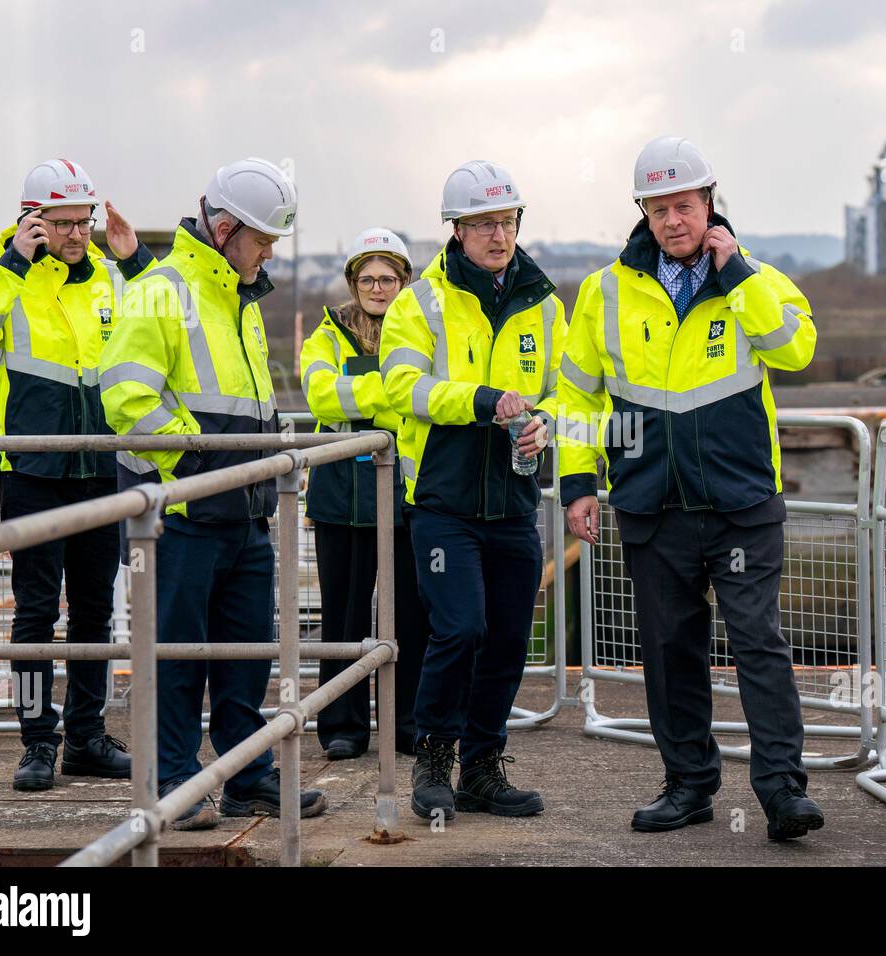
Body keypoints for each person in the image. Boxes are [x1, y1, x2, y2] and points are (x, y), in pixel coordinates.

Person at [557, 136, 824, 840]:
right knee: (670, 652)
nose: (673, 219)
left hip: (740, 502)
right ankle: (688, 787)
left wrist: (737, 276)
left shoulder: (756, 279)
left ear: (710, 203)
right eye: (659, 207)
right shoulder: (604, 290)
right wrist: (579, 482)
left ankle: (781, 794)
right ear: (642, 212)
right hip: (652, 503)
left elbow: (795, 349)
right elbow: (578, 395)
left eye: (685, 205)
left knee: (758, 644)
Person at [99, 157, 326, 830]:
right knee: (176, 658)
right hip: (185, 514)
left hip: (244, 511)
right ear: (224, 228)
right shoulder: (164, 288)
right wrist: (191, 457)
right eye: (262, 241)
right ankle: (174, 780)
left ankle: (246, 776)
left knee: (244, 656)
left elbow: (248, 406)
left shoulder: (239, 295)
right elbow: (125, 395)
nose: (269, 255)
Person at [0, 159, 152, 791]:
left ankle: (86, 738)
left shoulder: (111, 283)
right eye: (62, 223)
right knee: (36, 610)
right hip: (31, 468)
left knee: (94, 609)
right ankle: (39, 741)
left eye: (82, 221)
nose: (76, 233)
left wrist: (137, 258)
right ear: (30, 221)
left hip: (97, 466)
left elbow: (166, 314)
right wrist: (12, 266)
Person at [379, 160, 564, 821]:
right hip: (444, 503)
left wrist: (545, 420)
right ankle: (434, 758)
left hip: (513, 503)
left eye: (506, 221)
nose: (498, 234)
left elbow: (561, 390)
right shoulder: (418, 303)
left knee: (509, 636)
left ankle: (484, 766)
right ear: (455, 230)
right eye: (483, 223)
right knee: (460, 628)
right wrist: (482, 401)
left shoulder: (544, 303)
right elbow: (401, 388)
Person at [299, 227, 430, 760]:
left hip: (406, 499)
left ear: (404, 282)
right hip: (340, 501)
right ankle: (343, 726)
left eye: (389, 279)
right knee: (344, 617)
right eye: (369, 279)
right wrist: (389, 397)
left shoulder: (420, 332)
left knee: (409, 619)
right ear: (354, 283)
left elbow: (422, 400)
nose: (379, 288)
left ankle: (407, 724)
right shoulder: (326, 337)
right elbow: (322, 396)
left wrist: (365, 400)